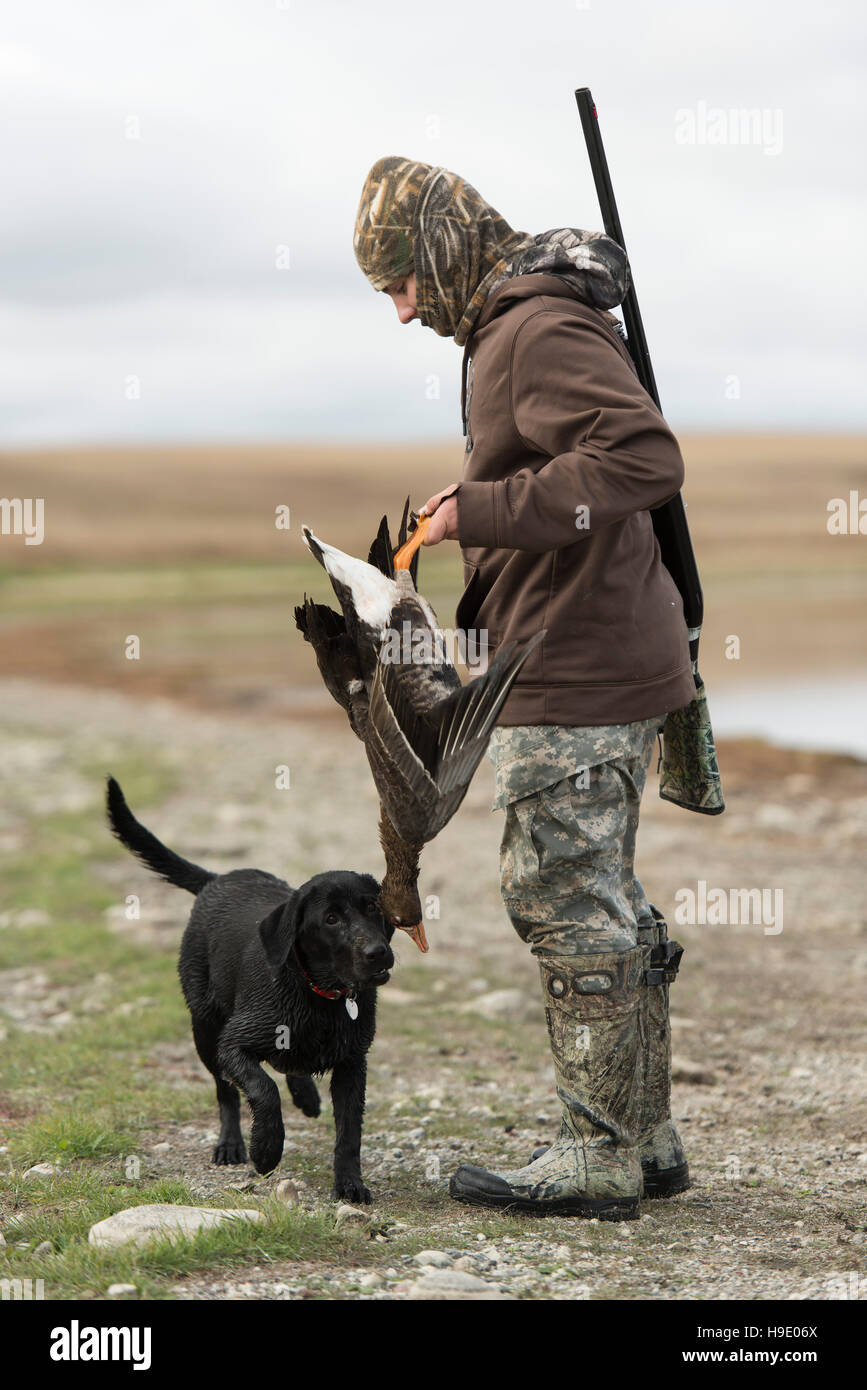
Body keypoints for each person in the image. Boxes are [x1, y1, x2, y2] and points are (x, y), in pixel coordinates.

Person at [353, 156, 695, 1221]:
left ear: (447, 247)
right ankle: (644, 1139)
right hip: (595, 650)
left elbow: (643, 460)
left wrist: (487, 513)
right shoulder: (515, 323)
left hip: (575, 663)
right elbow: (581, 464)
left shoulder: (532, 329)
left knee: (562, 900)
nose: (405, 312)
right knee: (607, 899)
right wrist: (485, 499)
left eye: (404, 282)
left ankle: (598, 1158)